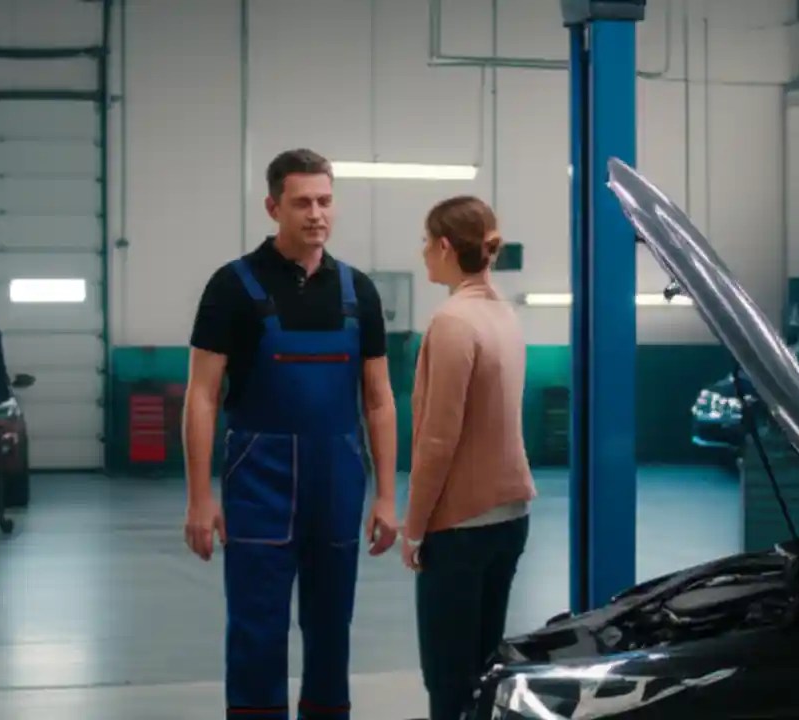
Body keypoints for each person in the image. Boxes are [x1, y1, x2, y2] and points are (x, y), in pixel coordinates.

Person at [182, 148, 400, 720]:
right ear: (273, 206)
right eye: (301, 202)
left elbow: (378, 398)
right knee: (256, 630)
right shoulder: (233, 287)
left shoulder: (359, 292)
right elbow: (202, 396)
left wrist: (385, 494)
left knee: (332, 628)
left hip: (337, 484)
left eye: (325, 201)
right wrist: (200, 498)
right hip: (259, 484)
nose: (315, 214)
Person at [400, 195, 536, 720]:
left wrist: (415, 529)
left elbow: (438, 440)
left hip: (460, 528)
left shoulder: (452, 322)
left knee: (447, 677)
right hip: (510, 519)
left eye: (425, 243)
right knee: (483, 669)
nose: (423, 254)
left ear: (443, 245)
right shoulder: (503, 315)